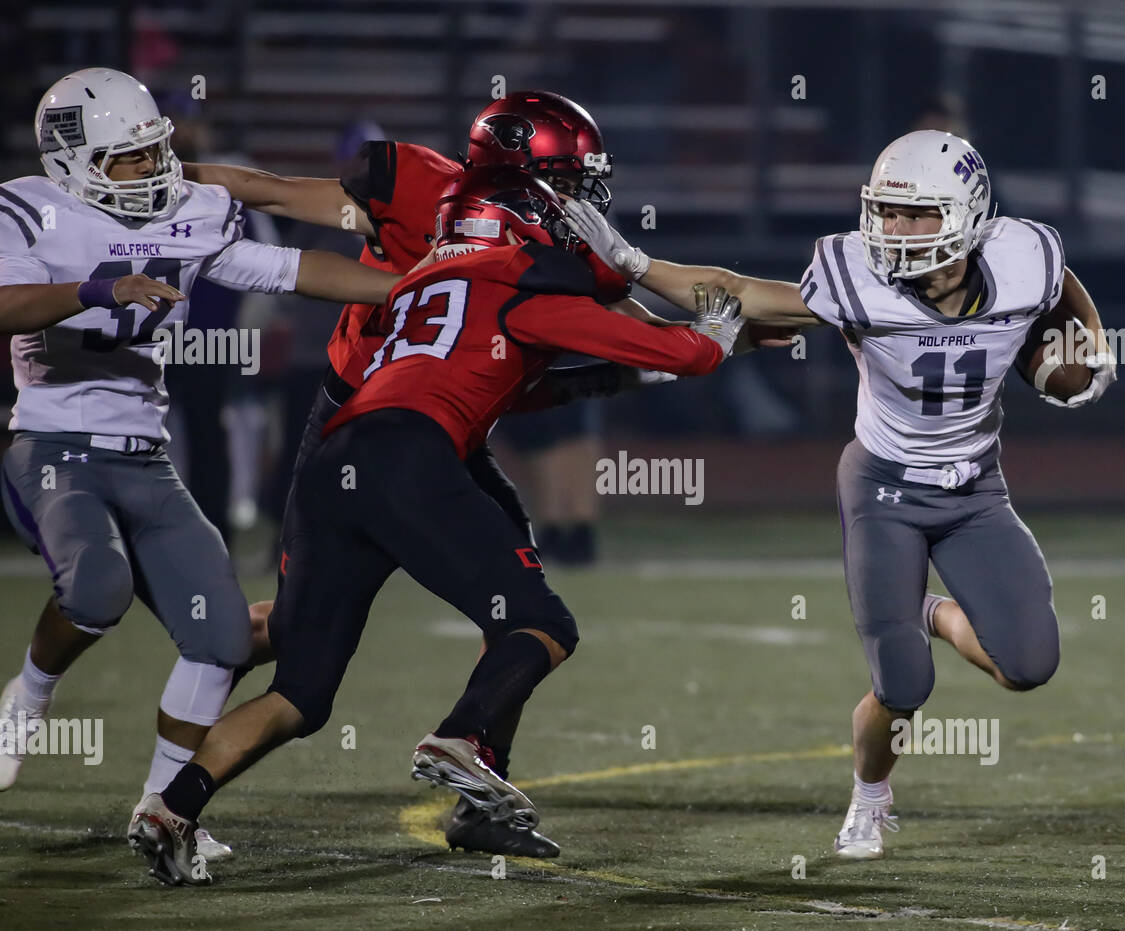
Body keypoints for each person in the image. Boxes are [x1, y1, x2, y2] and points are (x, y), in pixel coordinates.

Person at [128, 166, 741, 886]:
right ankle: (461, 738)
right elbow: (683, 351)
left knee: (300, 693)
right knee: (541, 624)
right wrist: (720, 332)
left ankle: (171, 807)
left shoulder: (418, 280)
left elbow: (505, 383)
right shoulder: (521, 277)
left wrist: (634, 365)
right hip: (410, 461)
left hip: (334, 462)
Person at [566, 129, 1117, 860]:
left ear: (969, 215)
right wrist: (632, 262)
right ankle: (870, 797)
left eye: (915, 214)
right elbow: (739, 294)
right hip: (884, 489)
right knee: (904, 683)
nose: (893, 230)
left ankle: (928, 610)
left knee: (1029, 665)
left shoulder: (1023, 256)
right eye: (885, 212)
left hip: (976, 490)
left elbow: (1060, 281)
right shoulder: (857, 276)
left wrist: (1092, 343)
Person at [0, 68, 403, 865]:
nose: (153, 171)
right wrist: (98, 286)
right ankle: (28, 698)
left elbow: (287, 271)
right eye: (130, 159)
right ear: (75, 159)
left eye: (156, 152)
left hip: (145, 456)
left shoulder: (189, 211)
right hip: (52, 444)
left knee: (222, 636)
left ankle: (162, 808)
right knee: (96, 587)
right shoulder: (32, 209)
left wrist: (411, 288)